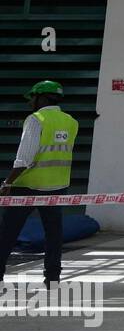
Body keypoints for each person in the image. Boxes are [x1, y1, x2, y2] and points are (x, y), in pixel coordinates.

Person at [0, 80, 79, 289]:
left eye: (32, 99)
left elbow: (24, 158)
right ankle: (52, 279)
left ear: (41, 97)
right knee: (53, 234)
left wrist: (8, 182)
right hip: (57, 186)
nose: (30, 103)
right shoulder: (71, 121)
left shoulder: (36, 120)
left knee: (7, 233)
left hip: (27, 186)